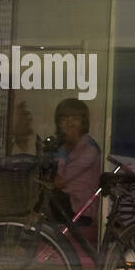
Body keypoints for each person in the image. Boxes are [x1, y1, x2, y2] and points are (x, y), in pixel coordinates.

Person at [49, 98, 102, 243]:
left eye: (75, 118)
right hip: (67, 204)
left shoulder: (89, 149)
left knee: (45, 197)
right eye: (65, 118)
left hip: (80, 210)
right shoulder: (64, 147)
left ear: (83, 122)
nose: (69, 122)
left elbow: (60, 181)